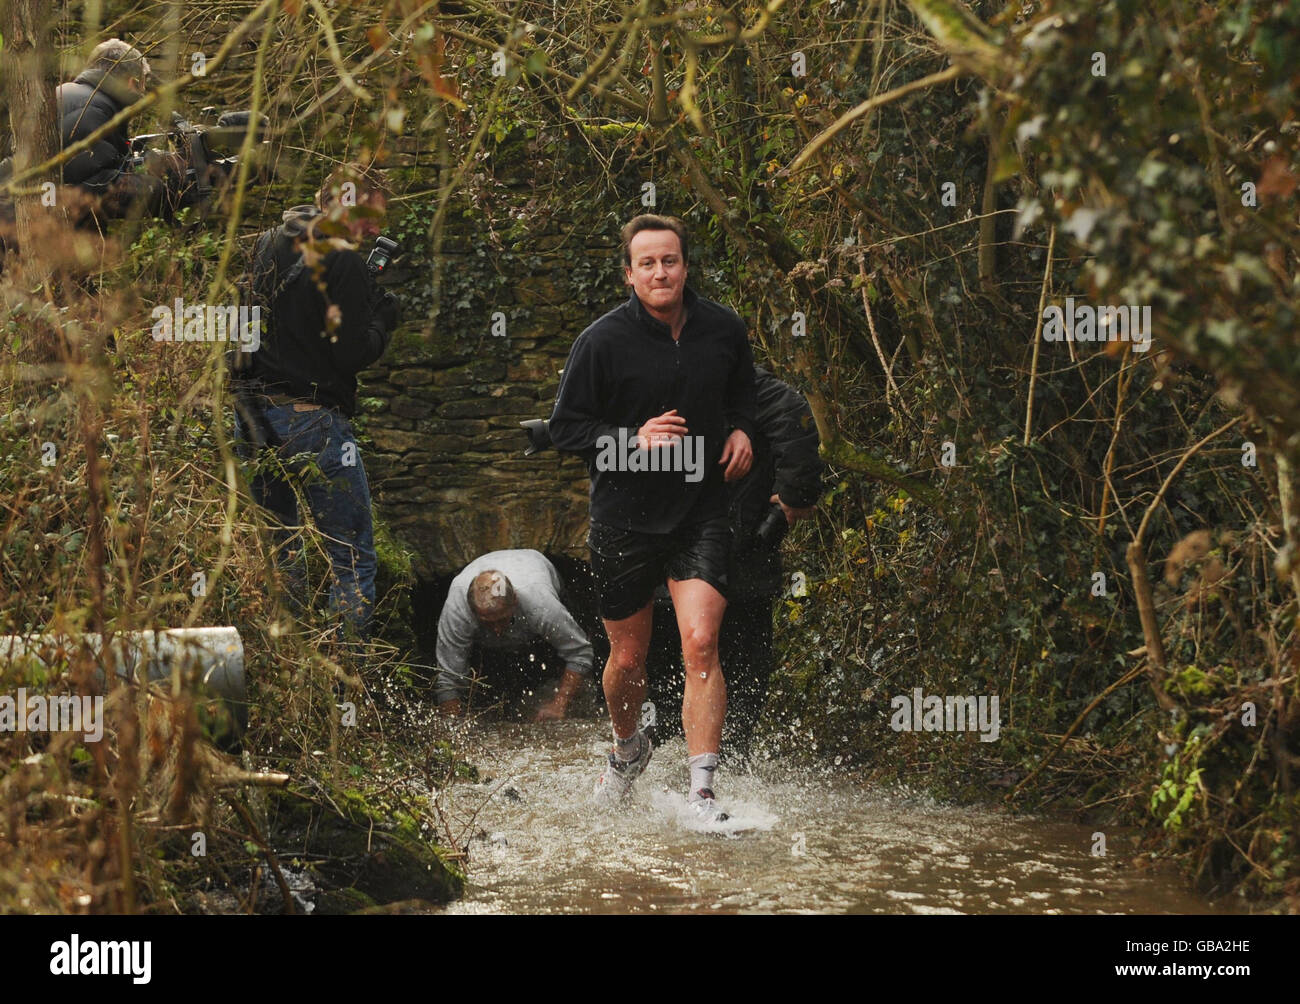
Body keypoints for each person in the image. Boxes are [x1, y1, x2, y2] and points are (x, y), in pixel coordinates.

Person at [548, 213, 757, 823]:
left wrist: (743, 430)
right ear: (630, 275)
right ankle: (627, 748)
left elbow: (746, 394)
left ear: (685, 266)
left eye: (669, 261)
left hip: (701, 509)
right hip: (625, 515)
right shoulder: (601, 341)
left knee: (700, 641)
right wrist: (632, 439)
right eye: (647, 264)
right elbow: (567, 430)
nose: (660, 272)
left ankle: (702, 791)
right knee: (629, 659)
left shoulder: (723, 328)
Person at [232, 162, 401, 639]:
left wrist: (244, 403)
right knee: (350, 559)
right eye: (371, 218)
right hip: (315, 423)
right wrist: (381, 322)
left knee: (283, 554)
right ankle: (348, 686)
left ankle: (296, 680)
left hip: (256, 417)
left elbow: (240, 331)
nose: (373, 230)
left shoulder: (266, 243)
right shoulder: (343, 257)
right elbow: (349, 355)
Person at [646, 365, 825, 757]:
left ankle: (728, 755)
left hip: (738, 551)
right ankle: (679, 754)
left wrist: (792, 499)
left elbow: (794, 419)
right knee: (674, 662)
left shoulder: (748, 385)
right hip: (679, 555)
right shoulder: (642, 381)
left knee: (743, 661)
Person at [434, 550, 596, 722]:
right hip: (485, 649)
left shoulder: (542, 605)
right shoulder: (457, 609)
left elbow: (580, 652)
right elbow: (448, 678)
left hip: (536, 593)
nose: (496, 630)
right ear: (471, 611)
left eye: (501, 620)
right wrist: (453, 728)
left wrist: (559, 704)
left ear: (515, 601)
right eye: (487, 623)